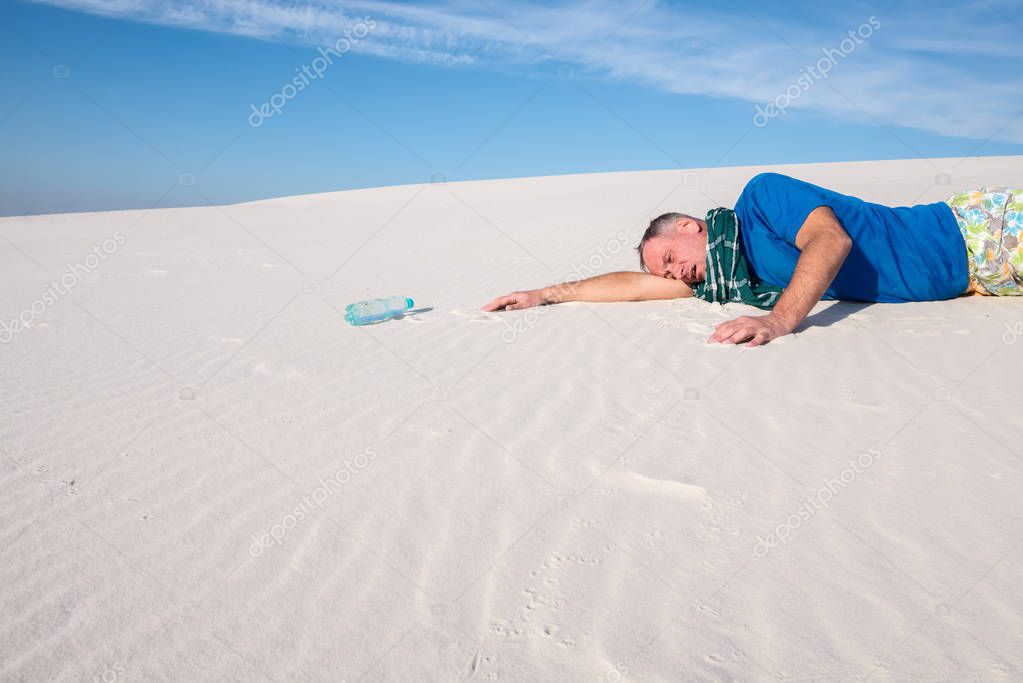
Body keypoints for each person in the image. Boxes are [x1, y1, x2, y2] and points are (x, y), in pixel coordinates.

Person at [482, 173, 1022, 346]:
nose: (674, 274)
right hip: (978, 280)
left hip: (982, 232)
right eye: (667, 273)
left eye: (669, 257)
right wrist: (545, 294)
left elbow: (830, 241)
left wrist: (780, 320)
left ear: (690, 227)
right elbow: (634, 286)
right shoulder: (730, 277)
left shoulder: (761, 200)